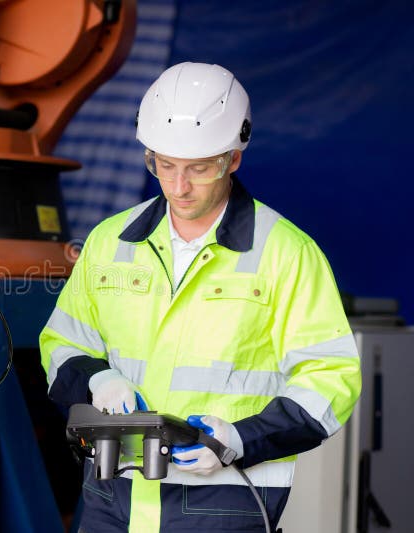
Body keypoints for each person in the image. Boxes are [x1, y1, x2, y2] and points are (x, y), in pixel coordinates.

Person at [39, 62, 361, 532]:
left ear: (233, 158)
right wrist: (96, 379)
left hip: (224, 499)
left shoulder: (286, 253)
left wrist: (241, 438)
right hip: (114, 493)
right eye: (164, 165)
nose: (178, 186)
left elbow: (331, 379)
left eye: (199, 168)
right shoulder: (111, 242)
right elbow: (61, 343)